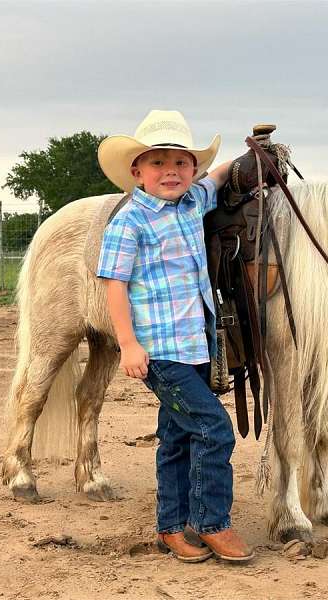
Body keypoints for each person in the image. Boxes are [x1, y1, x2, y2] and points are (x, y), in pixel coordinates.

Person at [96, 109, 254, 563]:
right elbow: (115, 285)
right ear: (137, 171)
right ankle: (211, 523)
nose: (171, 172)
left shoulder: (192, 202)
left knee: (178, 435)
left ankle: (170, 527)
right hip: (161, 353)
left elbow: (219, 178)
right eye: (159, 163)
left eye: (181, 163)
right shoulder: (129, 223)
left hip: (196, 346)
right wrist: (128, 344)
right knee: (213, 427)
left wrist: (250, 156)